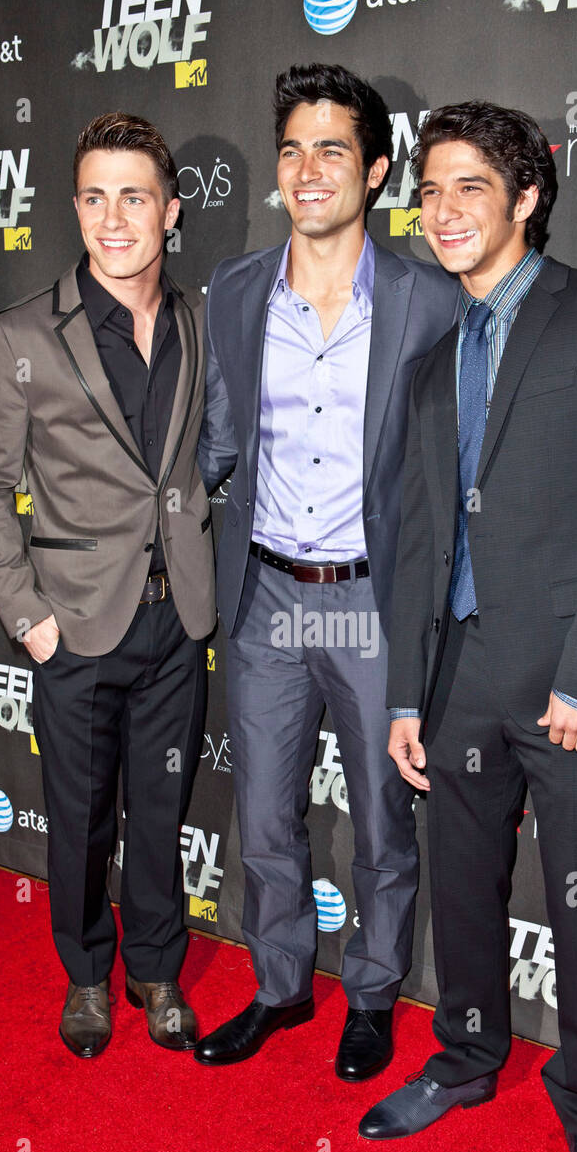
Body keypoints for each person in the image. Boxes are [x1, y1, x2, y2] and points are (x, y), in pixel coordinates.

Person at [359, 101, 577, 1152]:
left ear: (525, 198)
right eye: (428, 191)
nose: (440, 213)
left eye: (468, 190)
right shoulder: (431, 361)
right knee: (461, 891)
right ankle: (464, 1055)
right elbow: (412, 541)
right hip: (458, 680)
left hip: (572, 684)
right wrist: (406, 690)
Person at [195, 64, 459, 1080]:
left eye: (332, 150)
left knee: (381, 823)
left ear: (376, 169)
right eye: (294, 150)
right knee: (264, 812)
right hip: (264, 594)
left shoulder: (427, 299)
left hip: (370, 601)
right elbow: (217, 436)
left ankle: (376, 994)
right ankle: (280, 987)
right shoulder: (235, 287)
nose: (309, 171)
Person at [0, 113, 214, 1059]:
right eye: (96, 198)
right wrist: (26, 617)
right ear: (75, 207)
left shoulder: (196, 321)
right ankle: (85, 974)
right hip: (72, 627)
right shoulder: (25, 332)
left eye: (135, 197)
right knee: (79, 818)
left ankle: (156, 967)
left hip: (176, 621)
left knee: (161, 808)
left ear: (170, 211)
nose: (115, 220)